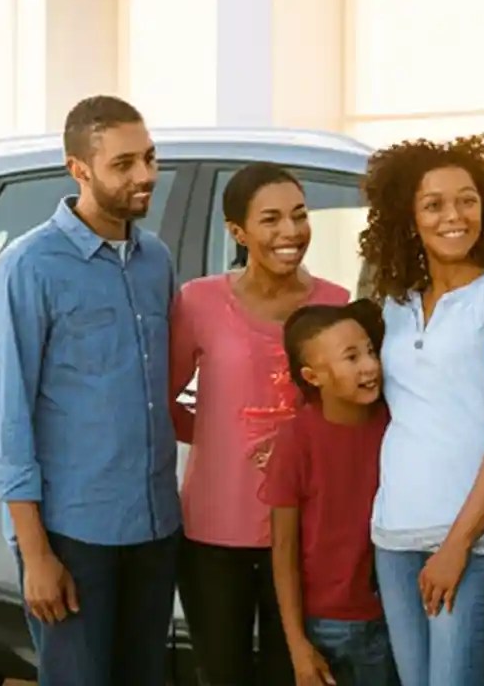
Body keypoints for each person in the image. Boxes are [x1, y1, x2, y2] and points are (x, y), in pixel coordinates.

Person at [0, 95, 181, 686]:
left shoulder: (156, 261)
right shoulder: (29, 268)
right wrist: (36, 555)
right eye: (123, 163)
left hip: (153, 525)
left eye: (149, 157)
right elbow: (7, 419)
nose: (144, 175)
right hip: (74, 535)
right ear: (80, 169)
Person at [357, 135, 484, 685]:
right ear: (407, 216)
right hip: (395, 539)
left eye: (467, 199)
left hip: (481, 542)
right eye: (434, 204)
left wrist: (456, 546)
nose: (454, 216)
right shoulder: (393, 306)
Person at [169, 162, 350, 685]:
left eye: (298, 215)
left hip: (306, 533)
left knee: (295, 673)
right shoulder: (199, 301)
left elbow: (349, 414)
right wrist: (218, 438)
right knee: (222, 673)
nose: (290, 233)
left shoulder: (336, 304)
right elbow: (162, 400)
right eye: (270, 220)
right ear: (238, 232)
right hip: (214, 530)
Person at [261, 300, 398, 686]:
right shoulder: (296, 440)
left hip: (393, 616)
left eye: (371, 351)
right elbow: (283, 549)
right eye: (351, 358)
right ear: (312, 376)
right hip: (326, 626)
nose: (369, 366)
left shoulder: (396, 423)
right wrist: (298, 645)